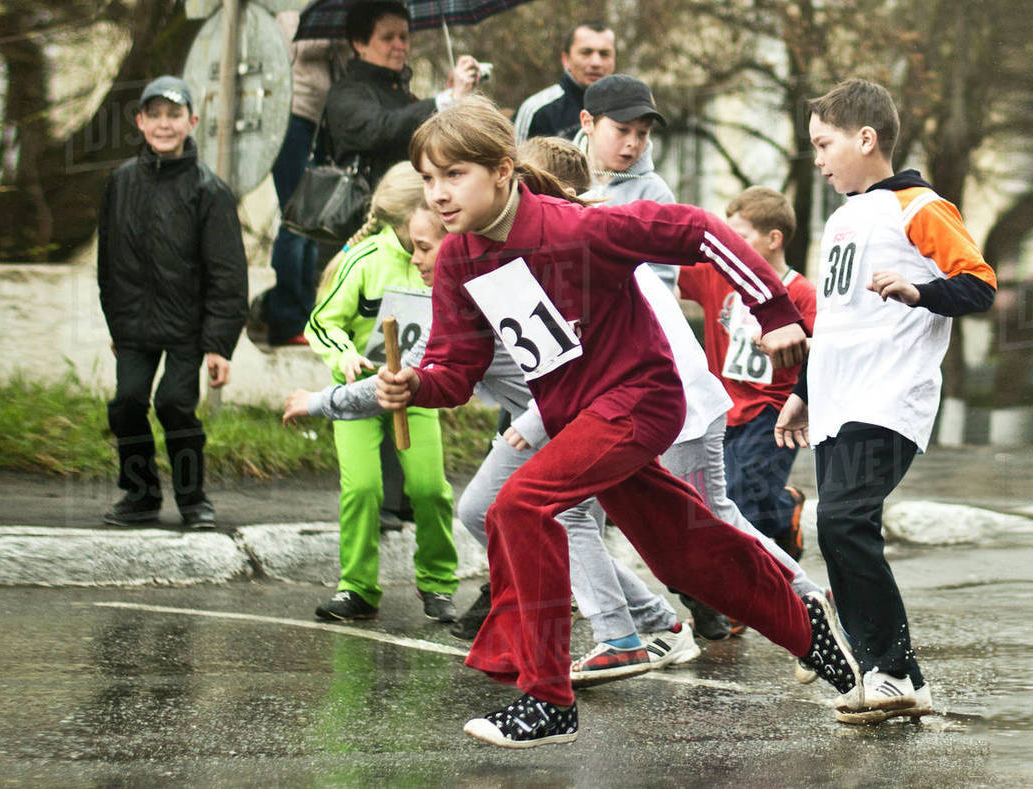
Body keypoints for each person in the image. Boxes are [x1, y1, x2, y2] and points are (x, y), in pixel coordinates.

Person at [376, 96, 865, 748]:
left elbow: (697, 229)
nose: (436, 194)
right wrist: (413, 384)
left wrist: (773, 308)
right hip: (583, 418)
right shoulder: (461, 259)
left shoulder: (577, 229)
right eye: (428, 178)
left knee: (519, 504)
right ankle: (812, 629)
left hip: (643, 396)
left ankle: (548, 700)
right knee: (684, 553)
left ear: (501, 171)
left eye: (453, 175)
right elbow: (455, 370)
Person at [287, 195, 701, 681]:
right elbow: (409, 376)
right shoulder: (454, 299)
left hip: (580, 415)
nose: (416, 258)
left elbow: (566, 364)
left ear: (458, 245)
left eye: (424, 248)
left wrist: (316, 402)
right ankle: (658, 621)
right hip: (535, 420)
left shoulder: (501, 288)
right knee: (480, 510)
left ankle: (620, 636)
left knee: (563, 514)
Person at [567, 76, 824, 649]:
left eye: (641, 134)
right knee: (583, 510)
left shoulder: (652, 194)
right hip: (607, 385)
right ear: (587, 124)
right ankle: (637, 629)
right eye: (621, 131)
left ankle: (802, 598)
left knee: (709, 513)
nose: (631, 144)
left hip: (664, 384)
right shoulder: (563, 177)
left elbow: (651, 290)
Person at [776, 78, 996, 724]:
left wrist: (918, 291)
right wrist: (803, 393)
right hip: (840, 400)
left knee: (844, 521)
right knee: (837, 528)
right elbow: (838, 322)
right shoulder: (845, 217)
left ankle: (895, 671)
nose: (817, 158)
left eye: (824, 143)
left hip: (889, 397)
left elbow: (978, 285)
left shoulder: (920, 207)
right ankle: (887, 674)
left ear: (865, 138)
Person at [304, 161, 458, 624]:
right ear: (409, 215)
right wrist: (344, 356)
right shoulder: (364, 260)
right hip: (357, 394)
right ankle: (357, 588)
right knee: (363, 488)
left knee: (431, 490)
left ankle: (438, 584)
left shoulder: (445, 258)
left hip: (414, 392)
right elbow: (321, 322)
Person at [97, 75, 248, 530]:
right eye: (155, 115)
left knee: (174, 404)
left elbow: (228, 273)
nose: (164, 124)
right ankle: (140, 495)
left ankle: (192, 499)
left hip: (188, 327)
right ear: (141, 121)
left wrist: (218, 343)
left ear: (191, 121)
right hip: (134, 327)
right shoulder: (121, 182)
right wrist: (117, 329)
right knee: (126, 403)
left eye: (174, 115)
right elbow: (109, 264)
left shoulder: (209, 190)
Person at [678, 187, 815, 562]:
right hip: (723, 410)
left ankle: (752, 596)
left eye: (739, 237)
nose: (729, 245)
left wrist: (801, 343)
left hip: (772, 413)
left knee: (744, 501)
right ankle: (785, 510)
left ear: (774, 239)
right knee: (720, 501)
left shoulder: (801, 294)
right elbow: (665, 273)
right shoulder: (716, 276)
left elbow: (824, 350)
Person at [260, 11, 350, 347]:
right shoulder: (290, 10)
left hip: (316, 116)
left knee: (309, 223)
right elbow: (299, 45)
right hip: (290, 114)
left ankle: (304, 315)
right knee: (295, 221)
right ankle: (284, 318)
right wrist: (340, 28)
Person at [324, 0, 480, 189]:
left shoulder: (399, 89)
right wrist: (444, 102)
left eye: (404, 37)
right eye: (387, 38)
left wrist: (450, 99)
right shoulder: (345, 93)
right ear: (359, 44)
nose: (400, 45)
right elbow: (383, 129)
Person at [514, 21, 615, 143]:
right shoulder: (537, 110)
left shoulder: (627, 108)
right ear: (565, 59)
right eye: (586, 52)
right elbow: (513, 158)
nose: (596, 63)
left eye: (604, 54)